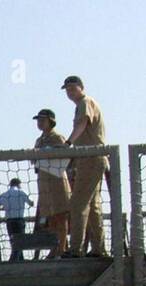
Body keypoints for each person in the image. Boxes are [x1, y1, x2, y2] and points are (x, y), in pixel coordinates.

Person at [62, 75, 109, 258]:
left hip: (90, 158)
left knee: (78, 204)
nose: (70, 92)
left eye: (73, 88)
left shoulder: (85, 102)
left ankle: (76, 249)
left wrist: (68, 144)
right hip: (92, 158)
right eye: (67, 90)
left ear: (81, 88)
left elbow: (82, 124)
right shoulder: (85, 103)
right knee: (93, 205)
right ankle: (98, 248)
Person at [32, 109, 71, 258]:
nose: (40, 123)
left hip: (57, 181)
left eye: (43, 120)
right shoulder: (39, 140)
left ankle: (61, 249)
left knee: (60, 216)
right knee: (51, 219)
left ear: (51, 121)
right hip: (43, 183)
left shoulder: (58, 138)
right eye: (38, 120)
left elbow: (66, 158)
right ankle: (56, 247)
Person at [0, 178, 34, 262]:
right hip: (19, 220)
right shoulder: (21, 193)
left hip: (9, 221)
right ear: (19, 184)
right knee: (20, 242)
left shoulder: (4, 195)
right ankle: (14, 260)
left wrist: (2, 209)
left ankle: (19, 259)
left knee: (13, 241)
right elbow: (31, 203)